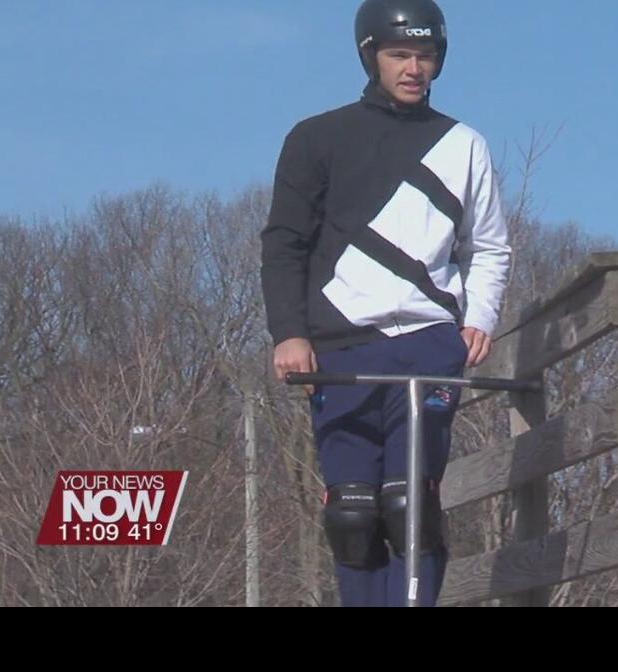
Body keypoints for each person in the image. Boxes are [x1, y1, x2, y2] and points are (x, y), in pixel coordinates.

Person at [260, 0, 510, 607]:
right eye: (400, 54)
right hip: (341, 346)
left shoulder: (463, 144)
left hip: (427, 340)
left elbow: (490, 245)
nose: (413, 68)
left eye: (425, 56)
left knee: (410, 503)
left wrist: (478, 317)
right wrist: (289, 332)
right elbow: (285, 242)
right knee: (353, 512)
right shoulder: (317, 137)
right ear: (371, 56)